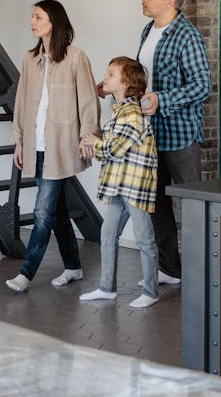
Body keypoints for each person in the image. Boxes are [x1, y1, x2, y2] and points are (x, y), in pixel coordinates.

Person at [106, 0, 210, 286]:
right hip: (149, 137)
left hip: (180, 137)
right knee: (156, 206)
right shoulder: (147, 32)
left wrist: (161, 99)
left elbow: (202, 85)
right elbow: (142, 81)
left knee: (193, 208)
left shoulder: (187, 36)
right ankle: (170, 270)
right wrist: (116, 88)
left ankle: (202, 274)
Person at [5, 0, 100, 292]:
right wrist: (19, 140)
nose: (32, 22)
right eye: (31, 16)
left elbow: (87, 100)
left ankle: (26, 272)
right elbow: (21, 102)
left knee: (43, 211)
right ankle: (73, 266)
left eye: (38, 17)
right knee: (56, 209)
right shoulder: (29, 59)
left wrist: (88, 136)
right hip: (36, 144)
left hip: (62, 144)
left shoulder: (76, 57)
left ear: (54, 21)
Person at [79, 56, 159, 308]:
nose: (106, 77)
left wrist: (94, 142)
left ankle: (150, 290)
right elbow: (111, 143)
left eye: (111, 74)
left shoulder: (132, 114)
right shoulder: (120, 111)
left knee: (144, 238)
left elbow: (114, 149)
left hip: (134, 187)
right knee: (108, 234)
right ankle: (106, 287)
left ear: (125, 84)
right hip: (118, 185)